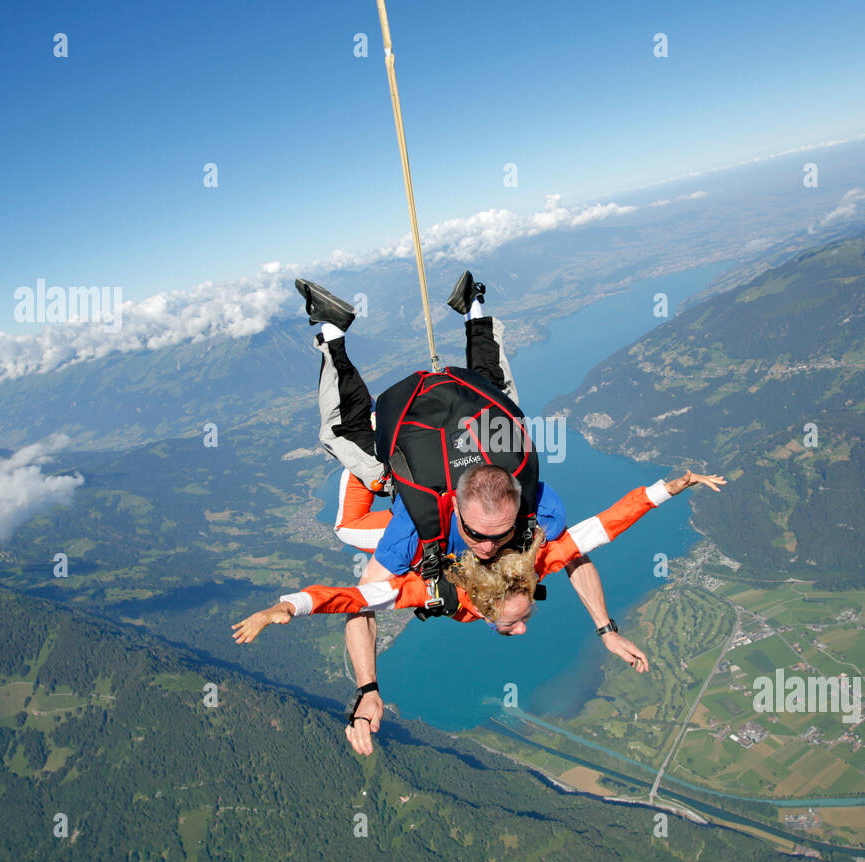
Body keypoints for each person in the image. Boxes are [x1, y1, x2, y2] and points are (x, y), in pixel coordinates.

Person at [295, 272, 651, 728]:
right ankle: (331, 332)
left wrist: (606, 630)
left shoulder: (534, 509)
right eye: (482, 536)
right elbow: (361, 603)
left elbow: (574, 557)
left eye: (497, 536)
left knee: (497, 399)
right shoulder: (420, 527)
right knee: (344, 437)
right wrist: (367, 690)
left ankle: (475, 308)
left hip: (466, 420)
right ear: (456, 509)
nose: (486, 545)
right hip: (414, 419)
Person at [231, 469, 726, 754]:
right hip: (439, 510)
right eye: (519, 620)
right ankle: (374, 464)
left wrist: (672, 487)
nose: (523, 626)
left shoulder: (529, 566)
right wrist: (288, 607)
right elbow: (356, 601)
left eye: (517, 619)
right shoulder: (431, 592)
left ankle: (478, 324)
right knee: (347, 529)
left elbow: (603, 528)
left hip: (469, 502)